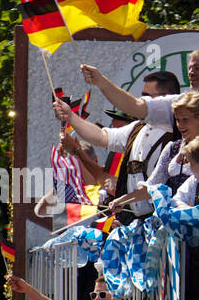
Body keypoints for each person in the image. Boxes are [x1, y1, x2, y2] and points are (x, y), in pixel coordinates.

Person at [53, 70, 181, 220]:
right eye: (143, 95)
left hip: (163, 221)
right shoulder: (137, 128)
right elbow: (101, 136)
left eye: (148, 96)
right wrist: (70, 116)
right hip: (134, 222)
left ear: (166, 100)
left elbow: (111, 182)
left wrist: (77, 151)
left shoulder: (177, 132)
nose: (143, 100)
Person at [81, 48, 199, 157]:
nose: (190, 72)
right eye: (189, 68)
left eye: (197, 68)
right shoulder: (179, 103)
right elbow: (136, 108)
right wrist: (101, 82)